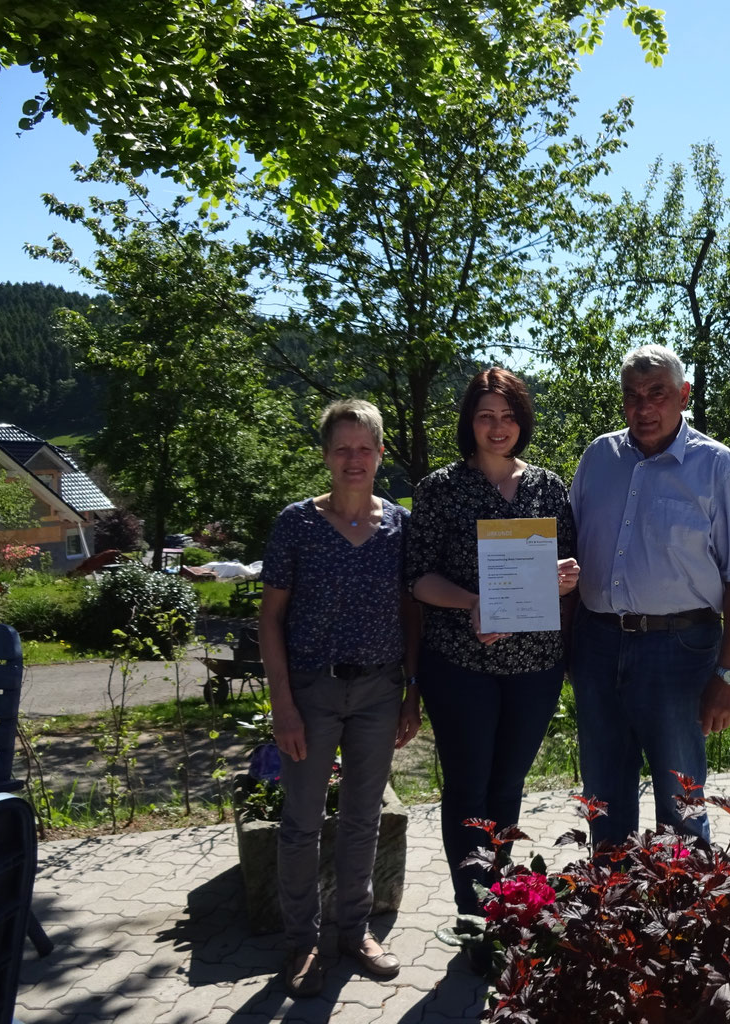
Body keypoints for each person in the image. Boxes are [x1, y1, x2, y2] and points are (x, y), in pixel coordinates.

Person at [569, 344, 730, 847]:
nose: (643, 407)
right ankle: (611, 915)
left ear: (684, 395)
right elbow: (568, 552)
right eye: (632, 396)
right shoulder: (598, 458)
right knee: (603, 800)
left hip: (679, 652)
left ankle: (685, 919)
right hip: (595, 646)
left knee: (681, 804)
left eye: (657, 393)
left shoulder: (716, 467)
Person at [259, 398, 422, 998]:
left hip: (381, 689)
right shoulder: (297, 523)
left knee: (363, 817)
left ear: (381, 453)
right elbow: (270, 618)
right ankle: (301, 943)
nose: (354, 459)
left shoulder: (400, 525)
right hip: (312, 690)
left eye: (365, 448)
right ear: (326, 456)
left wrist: (412, 693)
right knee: (301, 822)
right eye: (341, 448)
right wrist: (283, 704)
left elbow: (412, 614)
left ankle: (354, 932)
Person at [405, 367, 579, 916]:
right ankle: (472, 908)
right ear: (470, 423)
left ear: (521, 422)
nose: (497, 427)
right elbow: (419, 578)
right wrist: (473, 602)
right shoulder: (439, 489)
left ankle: (503, 902)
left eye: (507, 416)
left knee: (507, 787)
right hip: (460, 665)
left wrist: (565, 576)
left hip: (534, 667)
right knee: (466, 790)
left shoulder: (549, 486)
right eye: (485, 416)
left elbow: (566, 568)